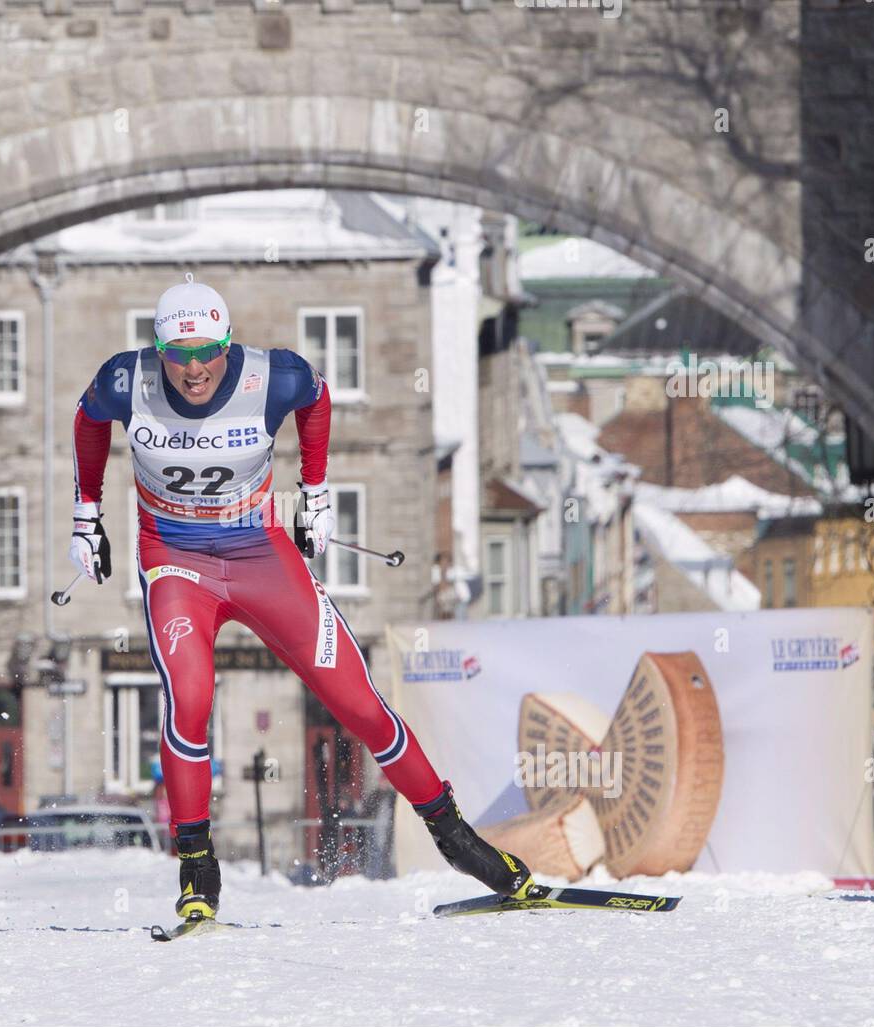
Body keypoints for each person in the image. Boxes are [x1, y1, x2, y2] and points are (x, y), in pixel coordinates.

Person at [69, 274, 533, 920]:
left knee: (360, 703)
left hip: (259, 553)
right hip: (176, 559)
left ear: (229, 346)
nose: (195, 368)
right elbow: (88, 420)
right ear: (159, 350)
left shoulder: (271, 378)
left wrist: (315, 492)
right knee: (191, 697)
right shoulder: (129, 380)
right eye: (179, 354)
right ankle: (197, 869)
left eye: (208, 352)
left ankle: (456, 837)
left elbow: (317, 399)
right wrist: (85, 516)